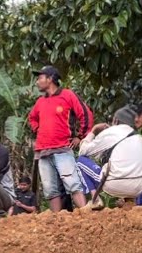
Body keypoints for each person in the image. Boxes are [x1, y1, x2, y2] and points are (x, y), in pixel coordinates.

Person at [28, 65, 93, 212]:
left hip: (63, 148)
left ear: (50, 79)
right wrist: (38, 129)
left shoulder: (68, 95)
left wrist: (80, 136)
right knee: (51, 190)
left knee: (73, 184)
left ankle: (85, 215)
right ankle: (57, 222)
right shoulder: (40, 102)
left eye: (40, 78)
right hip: (43, 151)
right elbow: (32, 118)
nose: (37, 81)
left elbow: (86, 113)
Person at [79, 106, 142, 204]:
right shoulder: (139, 138)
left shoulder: (111, 132)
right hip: (138, 187)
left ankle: (95, 199)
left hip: (115, 185)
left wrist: (93, 131)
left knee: (81, 160)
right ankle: (130, 202)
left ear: (116, 120)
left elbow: (83, 151)